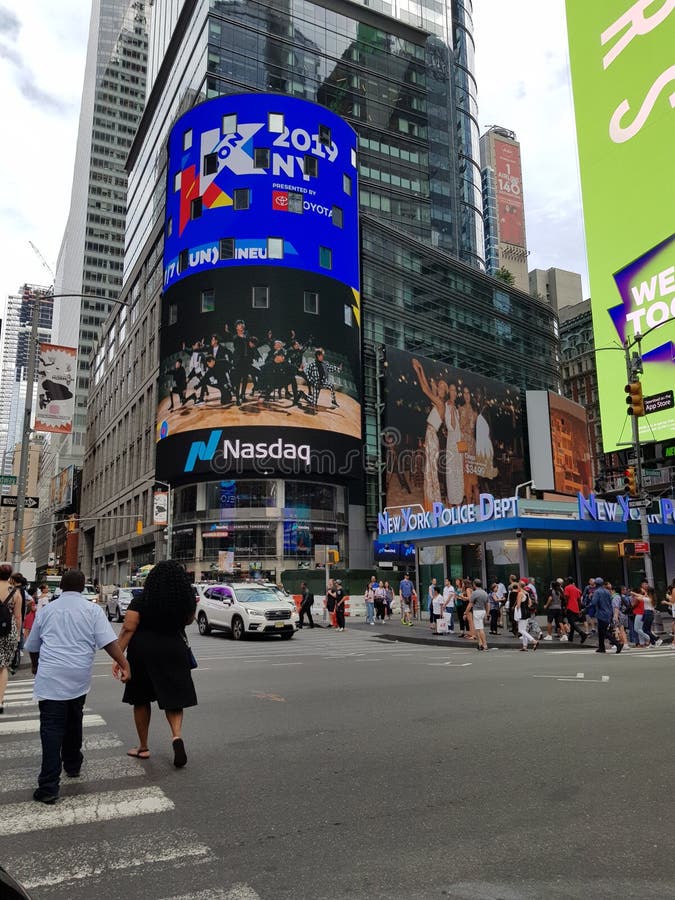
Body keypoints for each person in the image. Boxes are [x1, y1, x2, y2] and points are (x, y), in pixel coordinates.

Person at [25, 569, 130, 803]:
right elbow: (108, 643)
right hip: (78, 679)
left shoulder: (47, 610)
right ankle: (72, 764)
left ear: (60, 586)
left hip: (51, 678)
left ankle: (48, 787)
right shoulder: (92, 610)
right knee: (74, 720)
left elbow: (33, 645)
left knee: (51, 730)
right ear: (83, 588)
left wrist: (35, 666)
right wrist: (124, 663)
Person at [115, 560, 197, 767]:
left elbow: (128, 628)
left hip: (143, 652)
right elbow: (188, 621)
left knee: (141, 699)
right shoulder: (185, 601)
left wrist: (119, 658)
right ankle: (176, 736)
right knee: (174, 699)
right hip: (174, 650)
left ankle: (143, 747)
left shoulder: (141, 600)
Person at [411, 358, 445, 510]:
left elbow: (425, 389)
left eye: (441, 388)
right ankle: (431, 503)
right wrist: (421, 369)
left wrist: (418, 369)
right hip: (431, 436)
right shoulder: (437, 402)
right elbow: (427, 386)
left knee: (431, 472)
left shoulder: (440, 403)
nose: (439, 389)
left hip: (432, 437)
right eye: (440, 387)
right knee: (430, 471)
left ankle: (434, 504)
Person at [0, 564, 22, 714]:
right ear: (10, 576)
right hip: (8, 631)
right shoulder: (15, 592)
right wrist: (18, 633)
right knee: (3, 667)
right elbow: (18, 616)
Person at [592, 578, 622, 654]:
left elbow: (594, 602)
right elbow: (610, 602)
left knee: (604, 631)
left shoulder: (597, 592)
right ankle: (601, 647)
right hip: (608, 612)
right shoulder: (607, 592)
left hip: (601, 613)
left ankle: (617, 643)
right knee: (601, 631)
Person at [563, 577, 587, 644]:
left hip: (570, 607)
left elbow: (566, 598)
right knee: (572, 622)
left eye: (566, 581)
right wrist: (579, 609)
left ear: (568, 581)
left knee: (571, 623)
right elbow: (579, 600)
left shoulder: (567, 588)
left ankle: (582, 634)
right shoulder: (576, 589)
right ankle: (570, 638)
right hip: (576, 607)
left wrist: (565, 607)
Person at [515, 581, 538, 651]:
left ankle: (534, 641)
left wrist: (515, 611)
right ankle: (524, 646)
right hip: (527, 612)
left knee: (521, 630)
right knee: (524, 630)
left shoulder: (520, 594)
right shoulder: (526, 593)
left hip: (522, 613)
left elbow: (518, 605)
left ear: (519, 586)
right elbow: (530, 603)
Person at [466, 579, 489, 651]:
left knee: (480, 629)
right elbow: (487, 604)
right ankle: (480, 643)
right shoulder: (485, 593)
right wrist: (487, 613)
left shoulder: (475, 593)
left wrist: (466, 611)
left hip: (477, 611)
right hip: (483, 610)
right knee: (478, 628)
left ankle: (484, 644)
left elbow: (470, 604)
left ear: (474, 584)